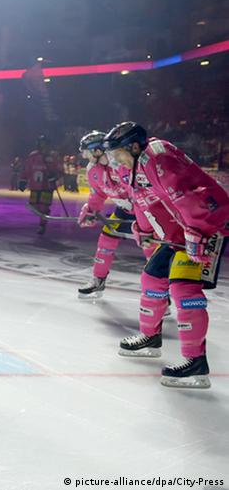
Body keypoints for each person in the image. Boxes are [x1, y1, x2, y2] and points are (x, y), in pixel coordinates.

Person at [104, 122, 228, 388]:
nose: (115, 160)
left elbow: (188, 195)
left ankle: (196, 363)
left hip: (207, 227)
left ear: (133, 146)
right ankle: (150, 337)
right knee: (152, 278)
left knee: (184, 289)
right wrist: (144, 229)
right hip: (181, 233)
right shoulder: (137, 165)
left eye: (118, 153)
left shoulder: (159, 156)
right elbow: (143, 200)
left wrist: (197, 233)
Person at [75, 131, 155, 298]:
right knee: (106, 239)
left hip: (144, 211)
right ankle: (98, 281)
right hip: (124, 210)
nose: (84, 155)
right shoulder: (93, 170)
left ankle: (160, 295)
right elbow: (98, 193)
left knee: (151, 249)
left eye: (87, 151)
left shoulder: (122, 163)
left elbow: (142, 190)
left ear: (98, 151)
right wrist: (91, 210)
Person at [19, 136, 63, 234]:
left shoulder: (53, 156)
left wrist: (55, 176)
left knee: (44, 207)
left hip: (47, 186)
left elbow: (60, 169)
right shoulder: (33, 156)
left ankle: (42, 224)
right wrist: (23, 179)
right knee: (34, 206)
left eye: (44, 143)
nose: (42, 145)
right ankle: (42, 219)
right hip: (35, 186)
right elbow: (27, 169)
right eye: (41, 143)